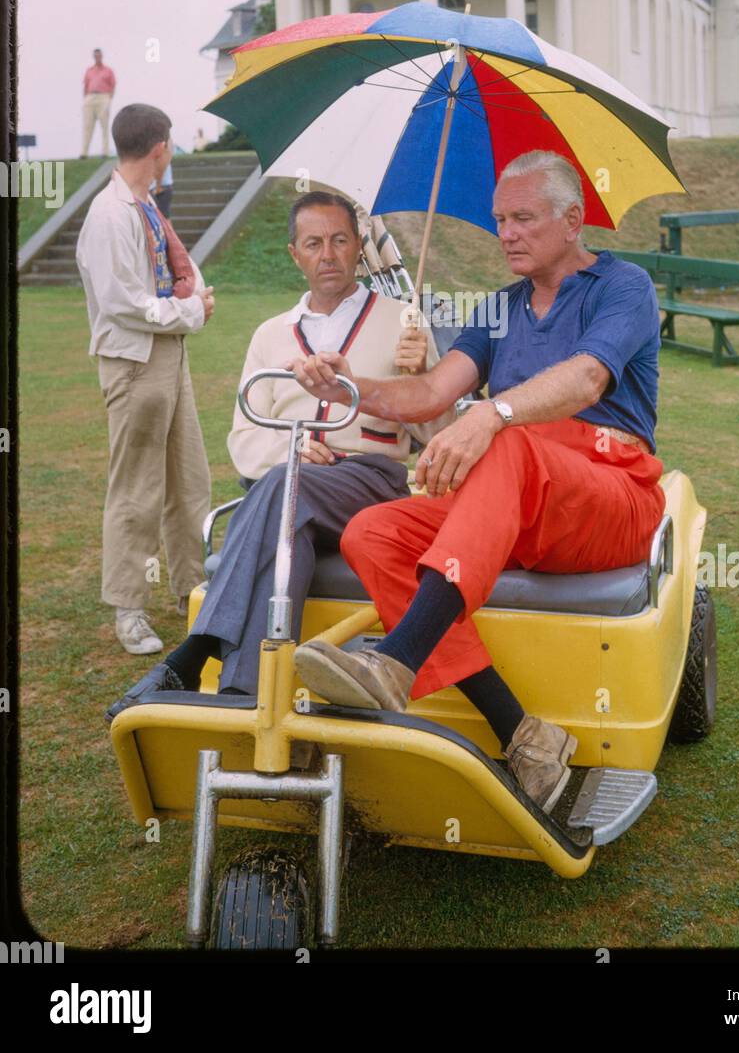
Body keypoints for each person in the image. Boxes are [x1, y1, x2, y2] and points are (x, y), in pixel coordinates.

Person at [291, 151, 667, 814]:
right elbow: (432, 391)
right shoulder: (498, 308)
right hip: (516, 495)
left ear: (572, 220)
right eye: (499, 220)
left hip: (607, 495)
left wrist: (489, 415)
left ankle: (397, 659)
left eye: (522, 218)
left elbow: (584, 380)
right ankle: (519, 731)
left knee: (507, 442)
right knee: (373, 532)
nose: (507, 233)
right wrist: (349, 385)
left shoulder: (623, 286)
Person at [105, 191, 454, 719]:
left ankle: (196, 651)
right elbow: (245, 438)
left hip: (372, 483)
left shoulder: (403, 323)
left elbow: (439, 435)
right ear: (295, 254)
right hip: (293, 487)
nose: (328, 254)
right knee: (284, 499)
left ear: (360, 247)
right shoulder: (270, 334)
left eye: (340, 240)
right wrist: (290, 451)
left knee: (279, 491)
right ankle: (247, 698)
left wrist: (424, 373)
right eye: (314, 243)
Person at [76, 104, 215, 655]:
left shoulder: (145, 205)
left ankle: (193, 589)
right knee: (136, 487)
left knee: (189, 477)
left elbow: (175, 269)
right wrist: (193, 313)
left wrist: (195, 297)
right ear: (159, 147)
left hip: (168, 356)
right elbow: (124, 304)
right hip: (135, 361)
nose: (172, 152)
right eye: (172, 143)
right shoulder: (109, 215)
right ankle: (129, 607)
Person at [82, 48, 116, 157]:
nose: (97, 57)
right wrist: (86, 98)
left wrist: (109, 98)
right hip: (90, 97)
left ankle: (105, 152)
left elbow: (113, 85)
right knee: (87, 126)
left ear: (101, 56)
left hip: (103, 97)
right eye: (95, 55)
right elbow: (86, 85)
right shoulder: (89, 70)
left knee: (104, 126)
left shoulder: (108, 70)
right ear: (93, 57)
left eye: (99, 55)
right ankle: (84, 153)